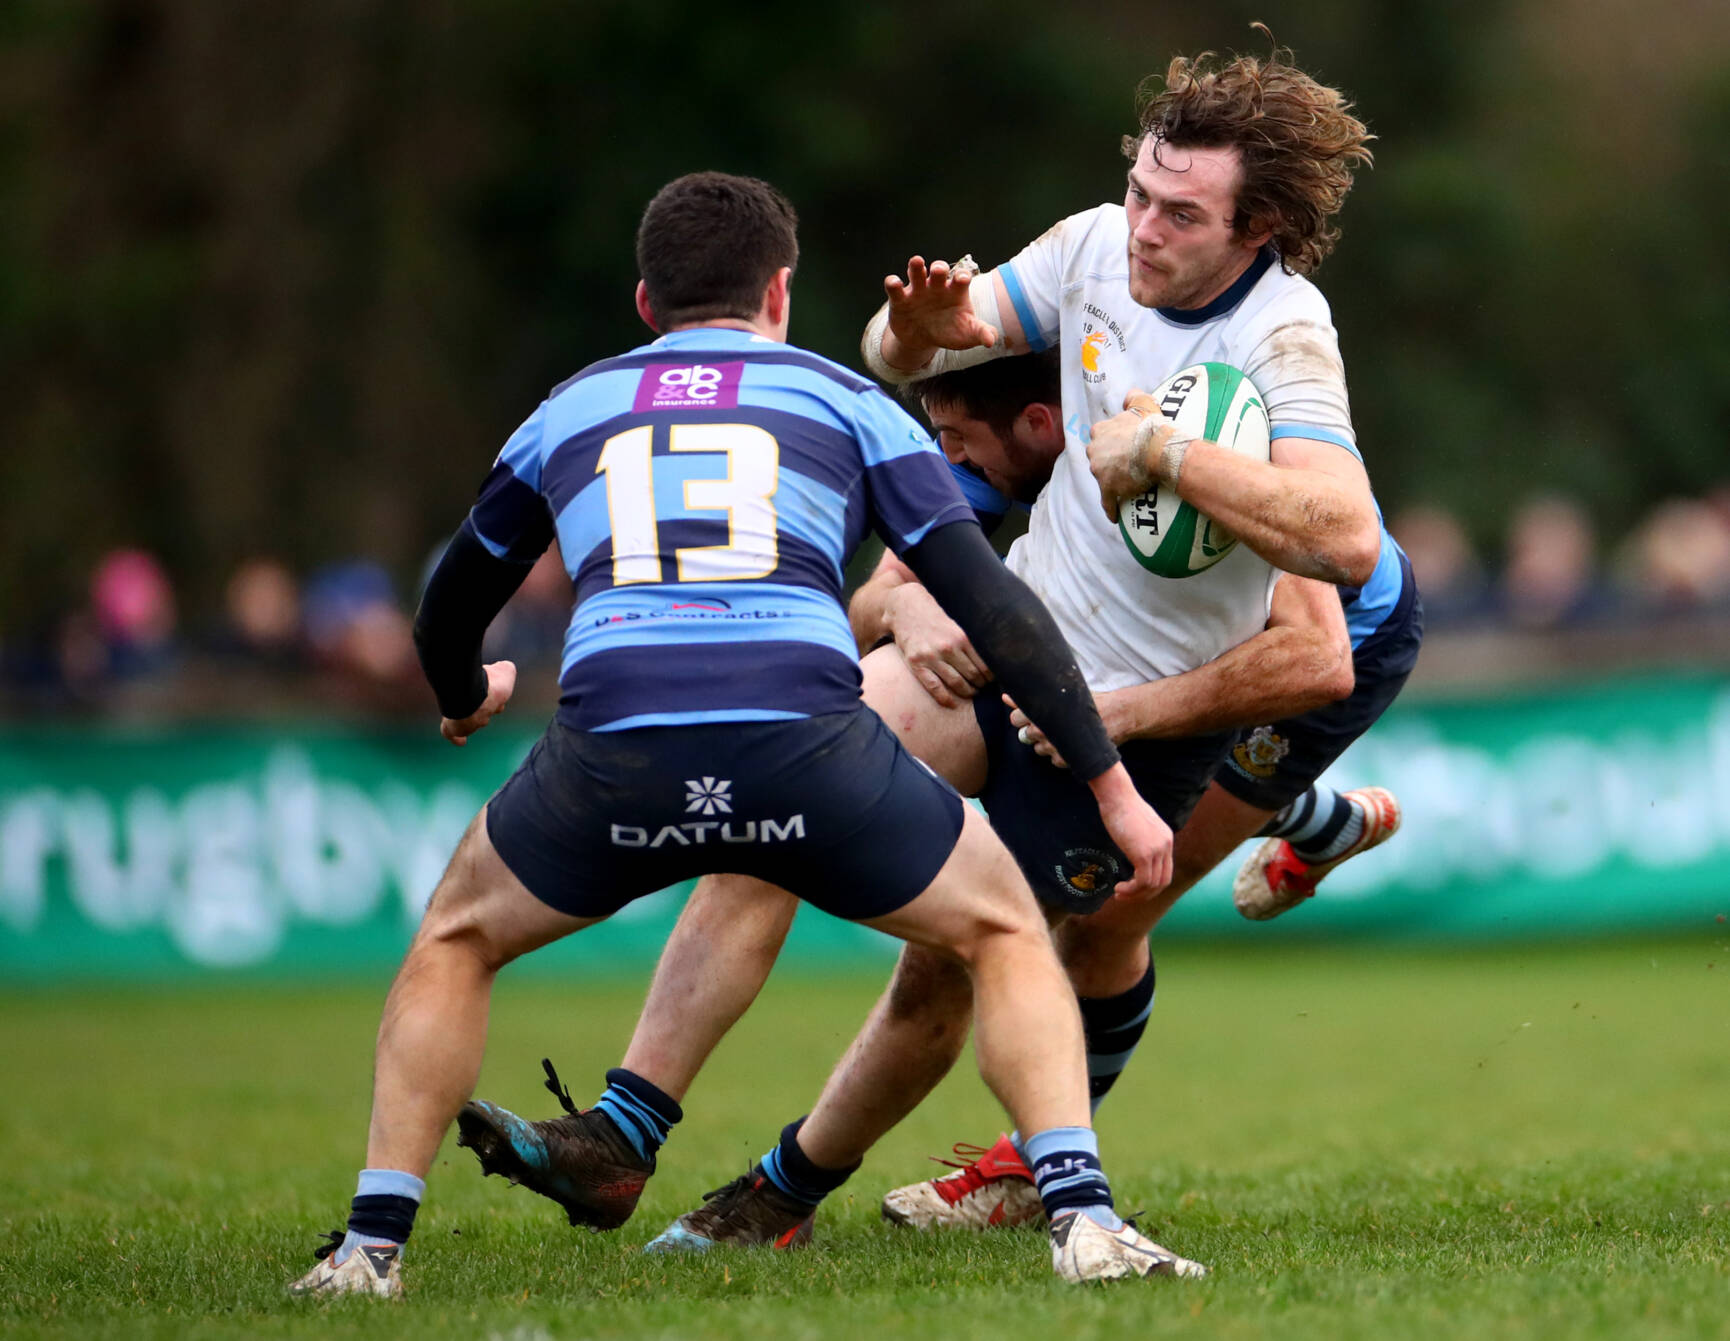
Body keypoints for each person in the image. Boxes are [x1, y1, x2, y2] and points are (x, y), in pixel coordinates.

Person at [463, 36, 1421, 1248]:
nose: (1140, 228)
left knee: (973, 957)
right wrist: (917, 338)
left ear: (1260, 224)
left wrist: (1165, 463)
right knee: (774, 785)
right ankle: (622, 1132)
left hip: (1173, 700)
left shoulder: (1283, 337)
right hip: (1028, 657)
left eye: (1179, 213)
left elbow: (1336, 558)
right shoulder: (1086, 251)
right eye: (1137, 190)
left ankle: (782, 1195)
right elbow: (908, 347)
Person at [287, 171, 1203, 1299]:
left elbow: (450, 603)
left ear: (643, 303)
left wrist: (463, 687)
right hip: (806, 751)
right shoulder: (844, 402)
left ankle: (372, 1247)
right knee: (1006, 932)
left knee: (453, 942)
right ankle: (1083, 1221)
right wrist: (1111, 784)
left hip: (614, 750)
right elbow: (994, 608)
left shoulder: (567, 410)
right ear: (779, 291)